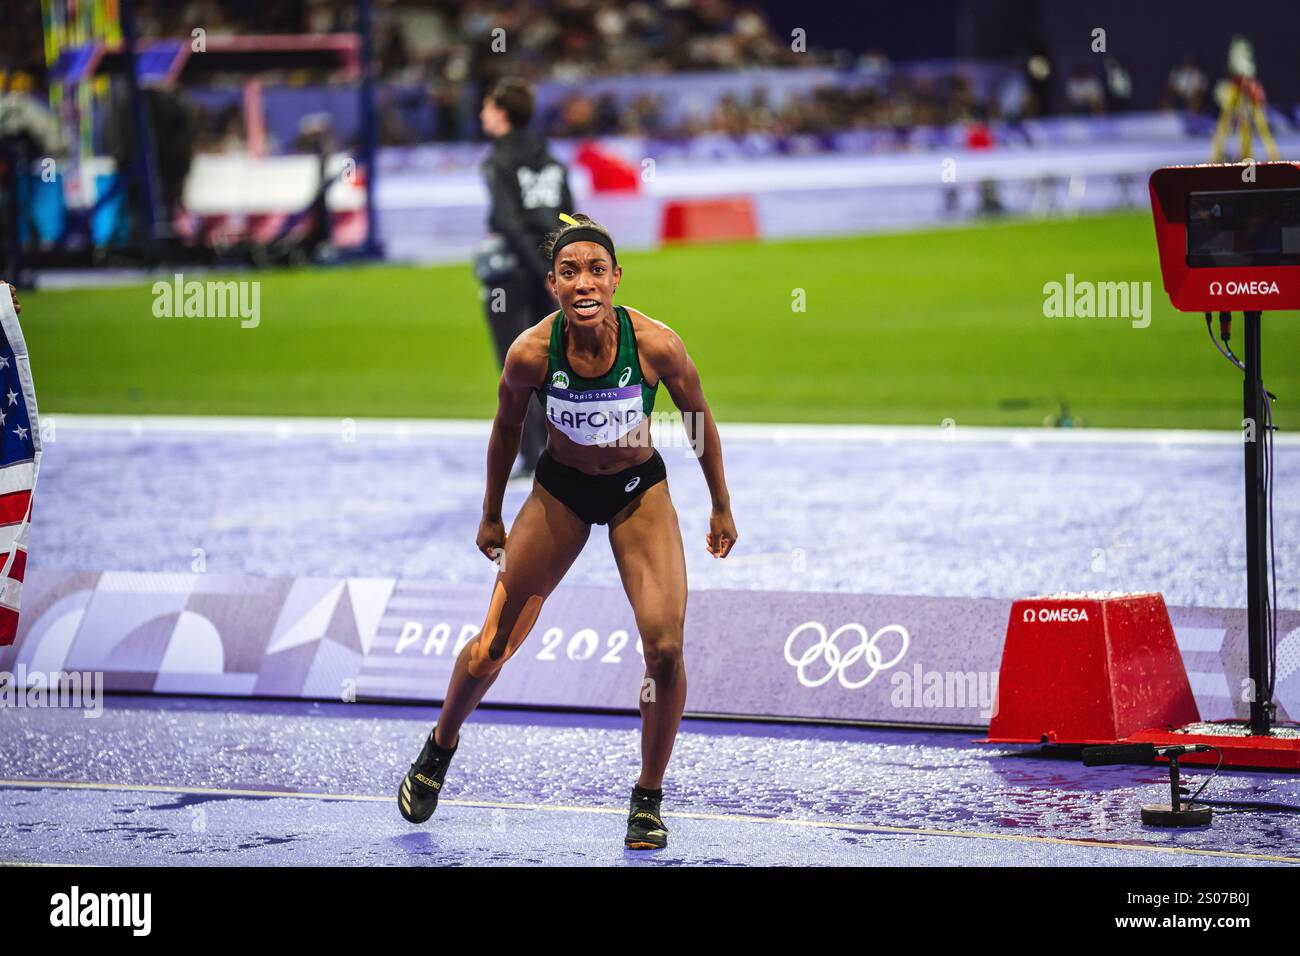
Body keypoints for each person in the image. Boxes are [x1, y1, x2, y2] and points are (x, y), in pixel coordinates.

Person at [399, 213, 738, 849]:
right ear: (553, 284)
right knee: (492, 646)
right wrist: (491, 512)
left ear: (616, 278)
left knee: (664, 650)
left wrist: (720, 505)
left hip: (639, 493)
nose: (584, 283)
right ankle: (441, 746)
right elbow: (504, 431)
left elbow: (698, 421)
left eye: (596, 271)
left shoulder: (657, 345)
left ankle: (647, 798)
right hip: (560, 493)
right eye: (570, 272)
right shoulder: (530, 353)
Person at [476, 77, 572, 478]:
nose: (482, 114)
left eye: (486, 107)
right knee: (554, 363)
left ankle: (534, 456)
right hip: (551, 266)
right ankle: (563, 449)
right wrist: (560, 271)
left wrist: (537, 271)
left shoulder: (497, 161)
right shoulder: (552, 160)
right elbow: (569, 216)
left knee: (515, 364)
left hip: (513, 272)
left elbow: (509, 222)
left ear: (500, 114)